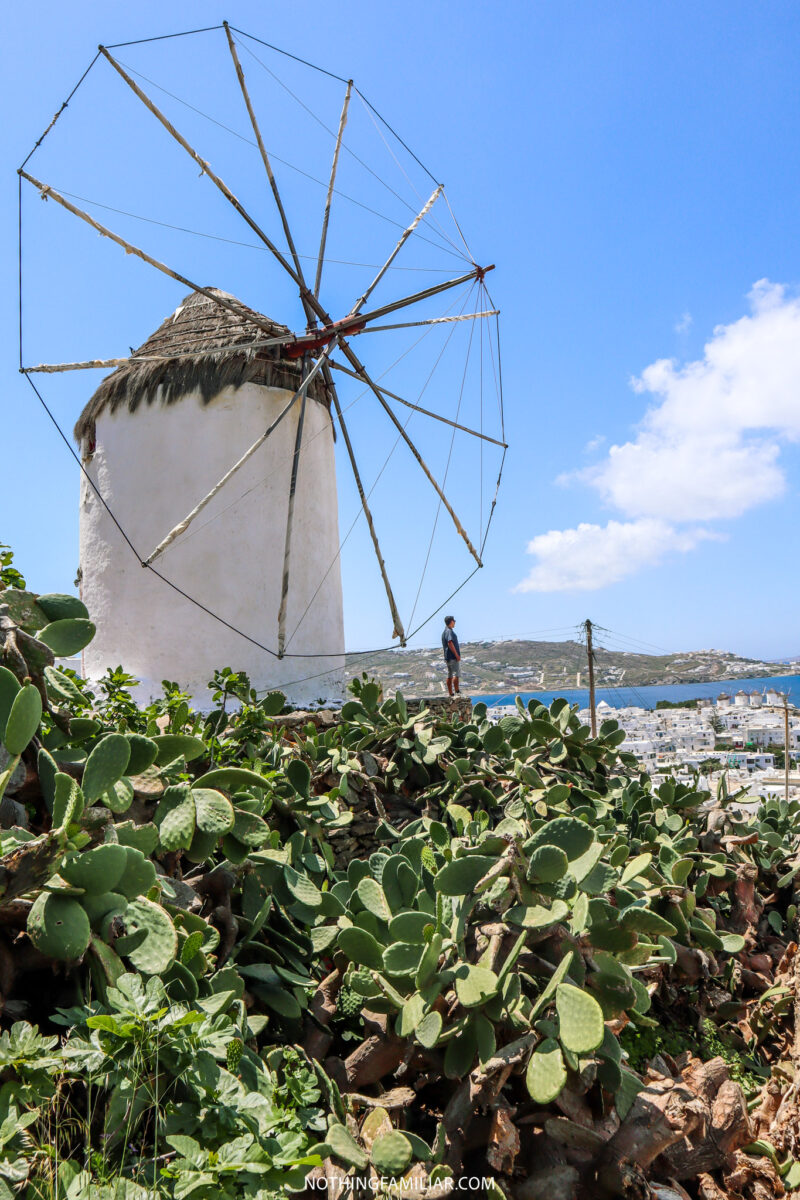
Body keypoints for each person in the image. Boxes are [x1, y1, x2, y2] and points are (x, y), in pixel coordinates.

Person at [441, 615, 461, 695]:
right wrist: (457, 655)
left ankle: (451, 693)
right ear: (451, 621)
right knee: (457, 673)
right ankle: (457, 691)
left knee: (450, 674)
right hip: (453, 657)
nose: (455, 622)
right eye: (454, 621)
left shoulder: (444, 632)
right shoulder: (449, 631)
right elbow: (450, 643)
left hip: (447, 657)